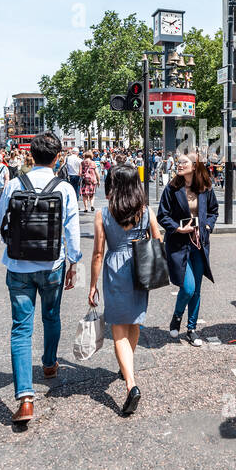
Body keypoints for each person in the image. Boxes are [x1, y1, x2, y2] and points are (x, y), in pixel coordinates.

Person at [0, 132, 81, 424]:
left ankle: (25, 398)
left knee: (21, 329)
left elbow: (2, 222)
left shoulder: (12, 185)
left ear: (30, 155)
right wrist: (73, 263)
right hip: (52, 264)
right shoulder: (65, 188)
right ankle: (48, 364)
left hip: (19, 265)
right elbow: (71, 231)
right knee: (51, 316)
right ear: (58, 157)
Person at [89, 164, 160, 417]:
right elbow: (158, 239)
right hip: (140, 267)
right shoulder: (146, 210)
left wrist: (93, 285)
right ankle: (126, 366)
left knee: (118, 328)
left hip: (115, 268)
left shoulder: (104, 213)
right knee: (134, 323)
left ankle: (131, 384)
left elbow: (98, 253)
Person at [158, 152, 219, 345]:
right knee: (188, 287)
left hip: (199, 245)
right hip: (178, 243)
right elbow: (162, 214)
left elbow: (213, 211)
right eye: (178, 162)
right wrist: (177, 228)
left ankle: (191, 329)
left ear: (194, 166)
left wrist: (207, 226)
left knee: (197, 290)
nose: (179, 165)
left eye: (183, 162)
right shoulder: (172, 188)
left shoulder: (205, 188)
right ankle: (177, 317)